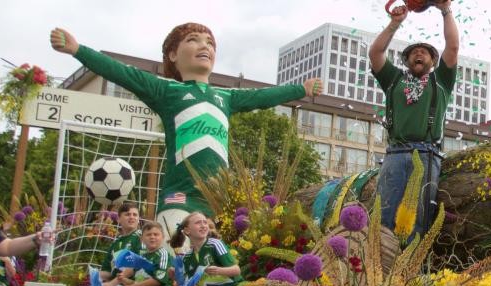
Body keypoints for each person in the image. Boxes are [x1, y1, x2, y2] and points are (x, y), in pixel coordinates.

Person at [50, 25, 321, 236]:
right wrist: (78, 49)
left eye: (210, 43)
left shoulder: (226, 97)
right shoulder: (166, 90)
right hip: (179, 199)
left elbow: (264, 97)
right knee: (173, 259)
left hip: (220, 204)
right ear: (172, 55)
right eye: (193, 39)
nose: (204, 46)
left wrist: (302, 89)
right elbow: (122, 73)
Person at [369, 0, 459, 238]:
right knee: (383, 217)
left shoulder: (440, 80)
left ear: (432, 61)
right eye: (413, 53)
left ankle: (409, 270)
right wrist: (394, 23)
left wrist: (445, 10)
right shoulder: (394, 80)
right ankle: (379, 265)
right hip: (395, 153)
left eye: (425, 52)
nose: (419, 54)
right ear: (407, 61)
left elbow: (452, 47)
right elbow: (375, 53)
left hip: (427, 154)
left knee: (418, 220)